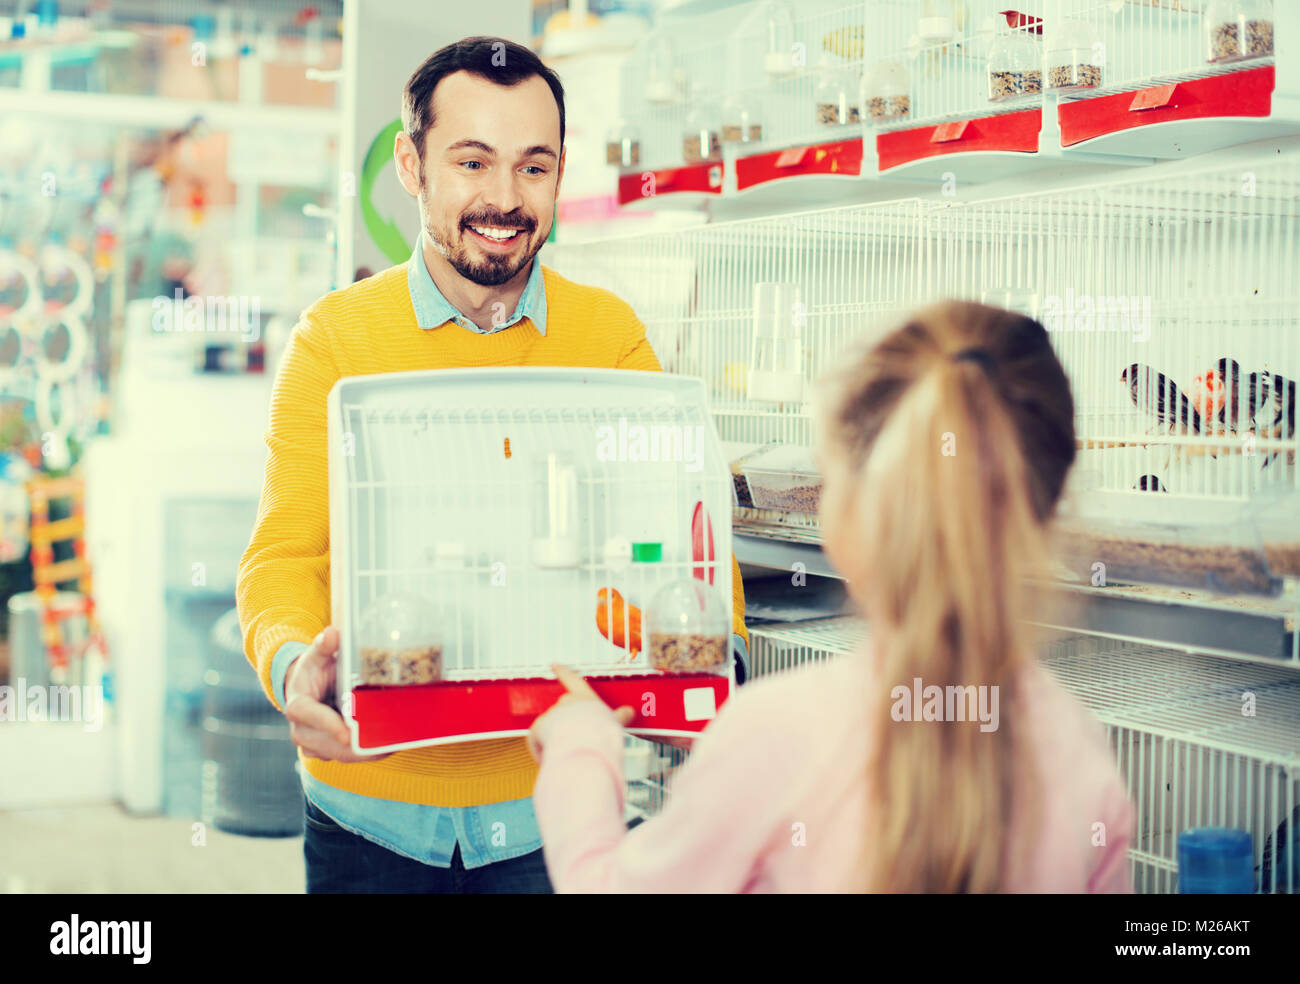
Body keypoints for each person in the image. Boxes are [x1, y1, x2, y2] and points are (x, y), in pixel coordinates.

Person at [235, 36, 750, 894]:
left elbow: (684, 525)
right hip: (371, 815)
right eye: (472, 161)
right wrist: (294, 663)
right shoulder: (334, 341)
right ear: (412, 164)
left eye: (534, 167)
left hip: (555, 811)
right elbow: (283, 556)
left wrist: (714, 650)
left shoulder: (610, 336)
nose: (504, 199)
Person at [529, 301, 1135, 893]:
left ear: (846, 514)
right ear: (1047, 511)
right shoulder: (1078, 749)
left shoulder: (773, 734)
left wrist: (582, 746)